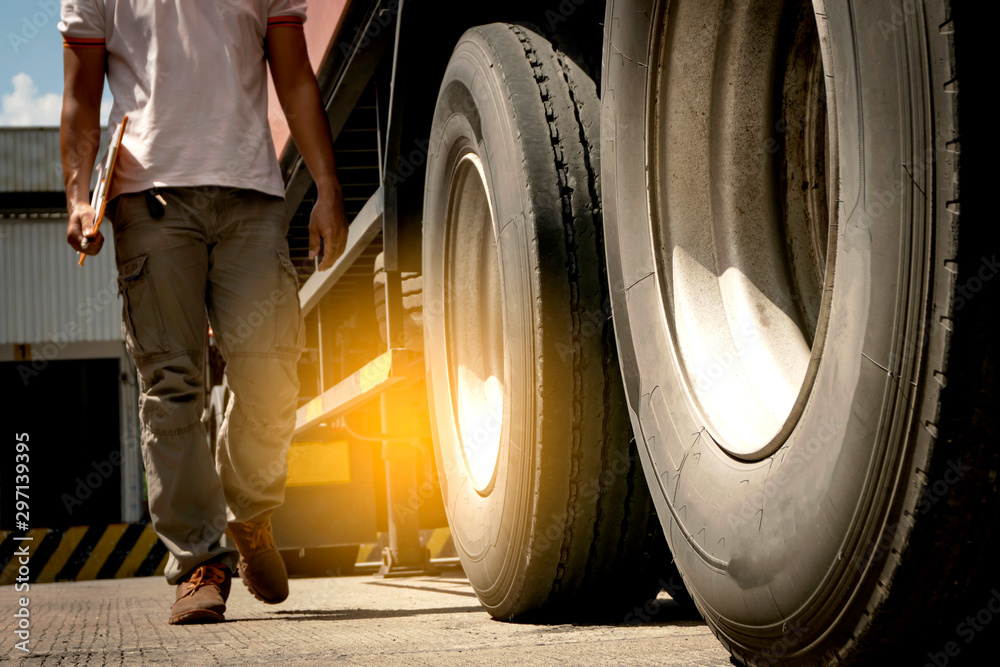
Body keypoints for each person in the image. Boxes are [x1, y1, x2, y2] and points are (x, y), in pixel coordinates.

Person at [58, 0, 348, 624]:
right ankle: (199, 563)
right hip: (148, 198)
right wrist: (79, 195)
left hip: (252, 194)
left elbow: (294, 76)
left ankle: (249, 510)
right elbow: (81, 93)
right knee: (172, 384)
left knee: (271, 374)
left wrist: (326, 187)